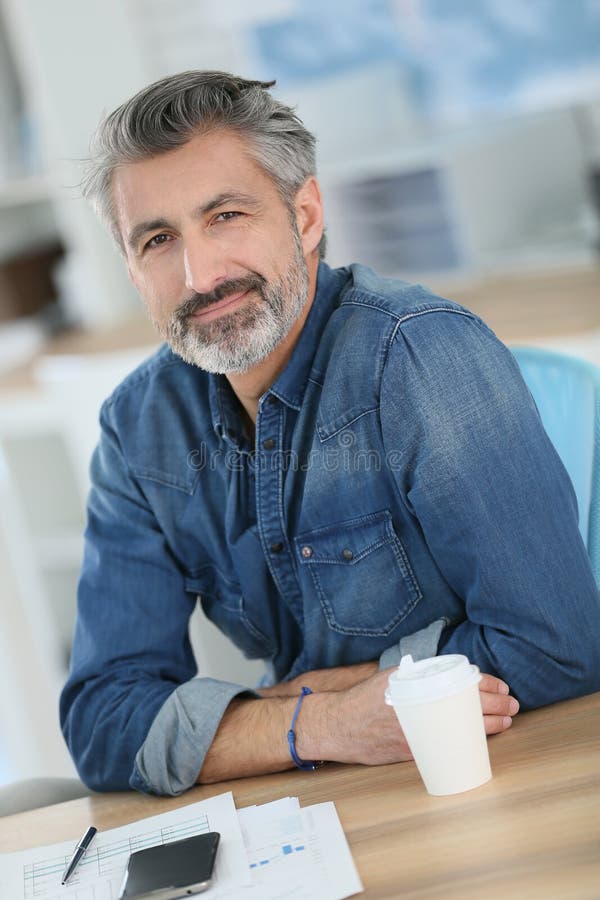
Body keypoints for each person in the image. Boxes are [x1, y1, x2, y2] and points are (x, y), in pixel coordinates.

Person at [60, 71, 600, 795]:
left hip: (493, 779)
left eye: (225, 216)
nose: (199, 275)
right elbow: (102, 724)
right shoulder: (139, 427)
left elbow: (557, 649)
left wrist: (285, 706)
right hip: (321, 792)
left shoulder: (418, 355)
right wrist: (323, 722)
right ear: (132, 269)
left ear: (306, 214)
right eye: (159, 239)